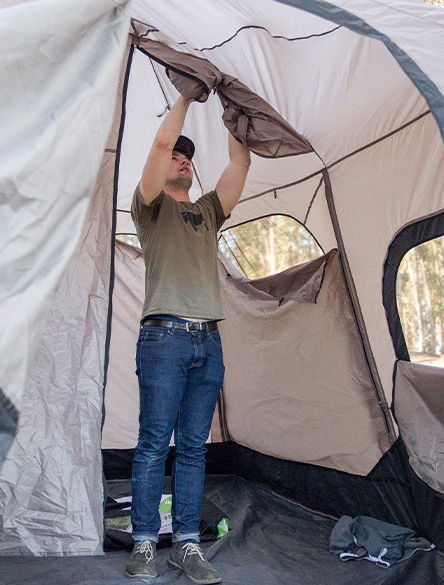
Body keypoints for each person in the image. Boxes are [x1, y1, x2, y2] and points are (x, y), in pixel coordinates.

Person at [124, 94, 251, 584]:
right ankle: (143, 543)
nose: (182, 159)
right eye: (177, 155)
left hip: (207, 343)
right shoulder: (149, 207)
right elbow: (160, 142)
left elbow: (240, 162)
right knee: (155, 443)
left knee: (194, 447)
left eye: (188, 157)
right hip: (163, 339)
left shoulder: (208, 212)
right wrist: (185, 94)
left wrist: (238, 116)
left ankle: (186, 547)